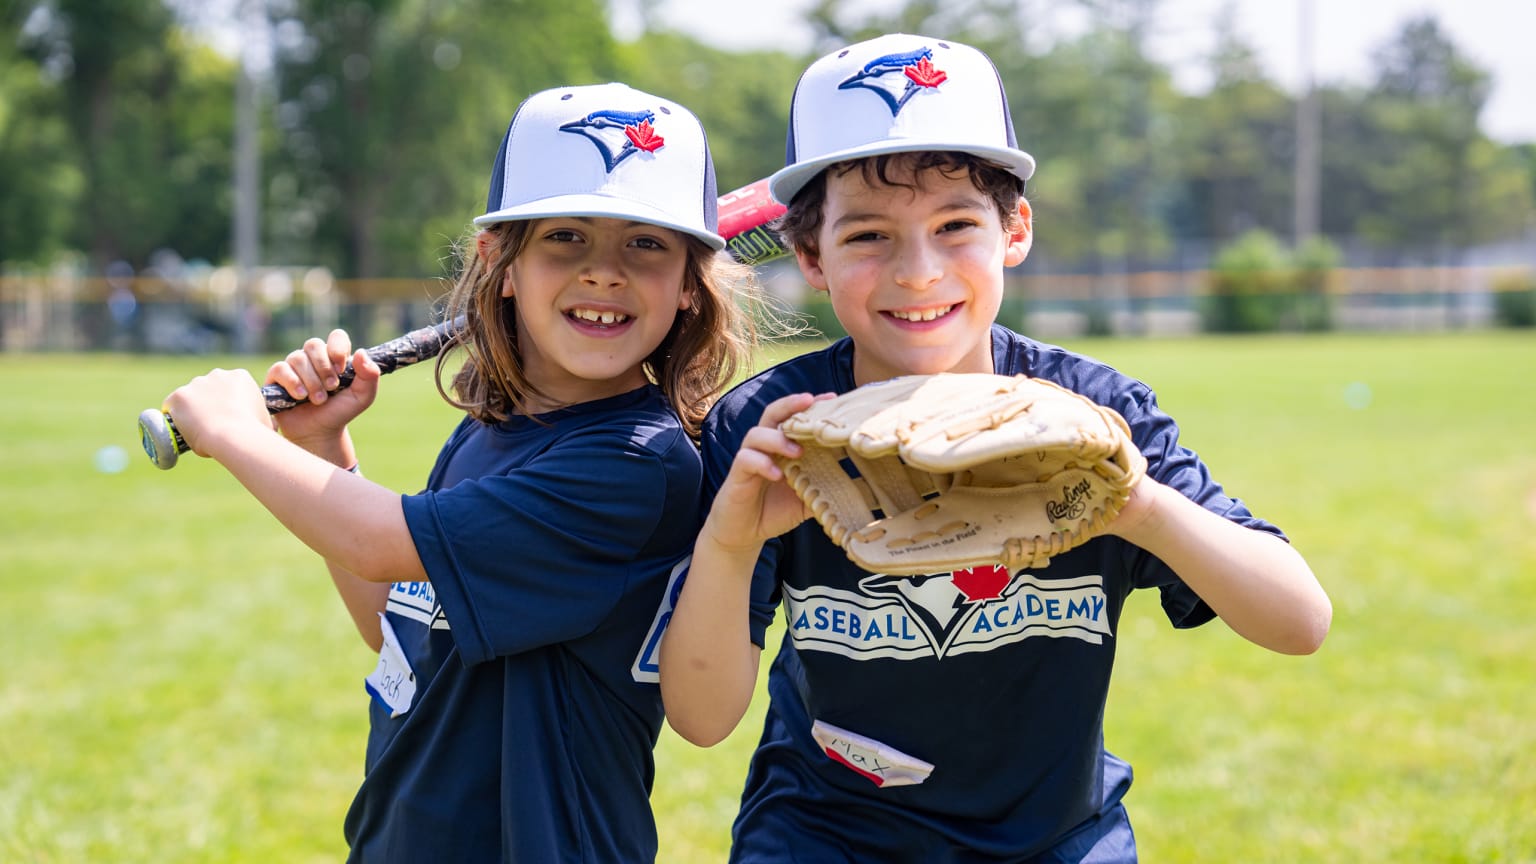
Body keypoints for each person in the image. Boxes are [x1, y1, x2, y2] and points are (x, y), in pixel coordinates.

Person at [658, 34, 1333, 862]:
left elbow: (1301, 620)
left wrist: (1138, 506)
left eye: (956, 226)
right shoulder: (773, 427)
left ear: (1015, 230)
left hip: (1052, 838)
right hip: (826, 831)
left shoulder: (1094, 414)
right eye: (868, 236)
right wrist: (731, 540)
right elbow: (699, 719)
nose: (918, 272)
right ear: (811, 256)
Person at [162, 82, 755, 862]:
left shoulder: (634, 465)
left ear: (688, 284)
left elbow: (378, 539)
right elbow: (400, 629)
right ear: (501, 264)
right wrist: (322, 446)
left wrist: (241, 435)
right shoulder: (490, 433)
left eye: (645, 244)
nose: (604, 272)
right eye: (565, 238)